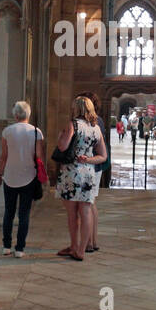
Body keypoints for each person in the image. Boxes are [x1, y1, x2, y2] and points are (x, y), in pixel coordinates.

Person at [52, 95, 106, 260]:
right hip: (88, 173)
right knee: (86, 211)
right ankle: (81, 250)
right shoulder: (95, 128)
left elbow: (62, 146)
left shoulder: (73, 124)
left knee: (72, 214)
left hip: (71, 172)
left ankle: (74, 246)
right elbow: (103, 156)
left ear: (76, 108)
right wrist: (88, 159)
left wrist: (62, 134)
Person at [0, 100, 44, 258]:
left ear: (15, 115)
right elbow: (38, 156)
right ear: (28, 115)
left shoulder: (7, 131)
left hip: (10, 176)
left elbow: (4, 156)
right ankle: (20, 248)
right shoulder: (36, 132)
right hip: (29, 176)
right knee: (24, 214)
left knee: (8, 212)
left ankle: (6, 246)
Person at [77, 90, 106, 251]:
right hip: (95, 165)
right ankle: (92, 241)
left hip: (89, 165)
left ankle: (88, 242)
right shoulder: (98, 121)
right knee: (91, 203)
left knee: (87, 204)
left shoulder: (92, 122)